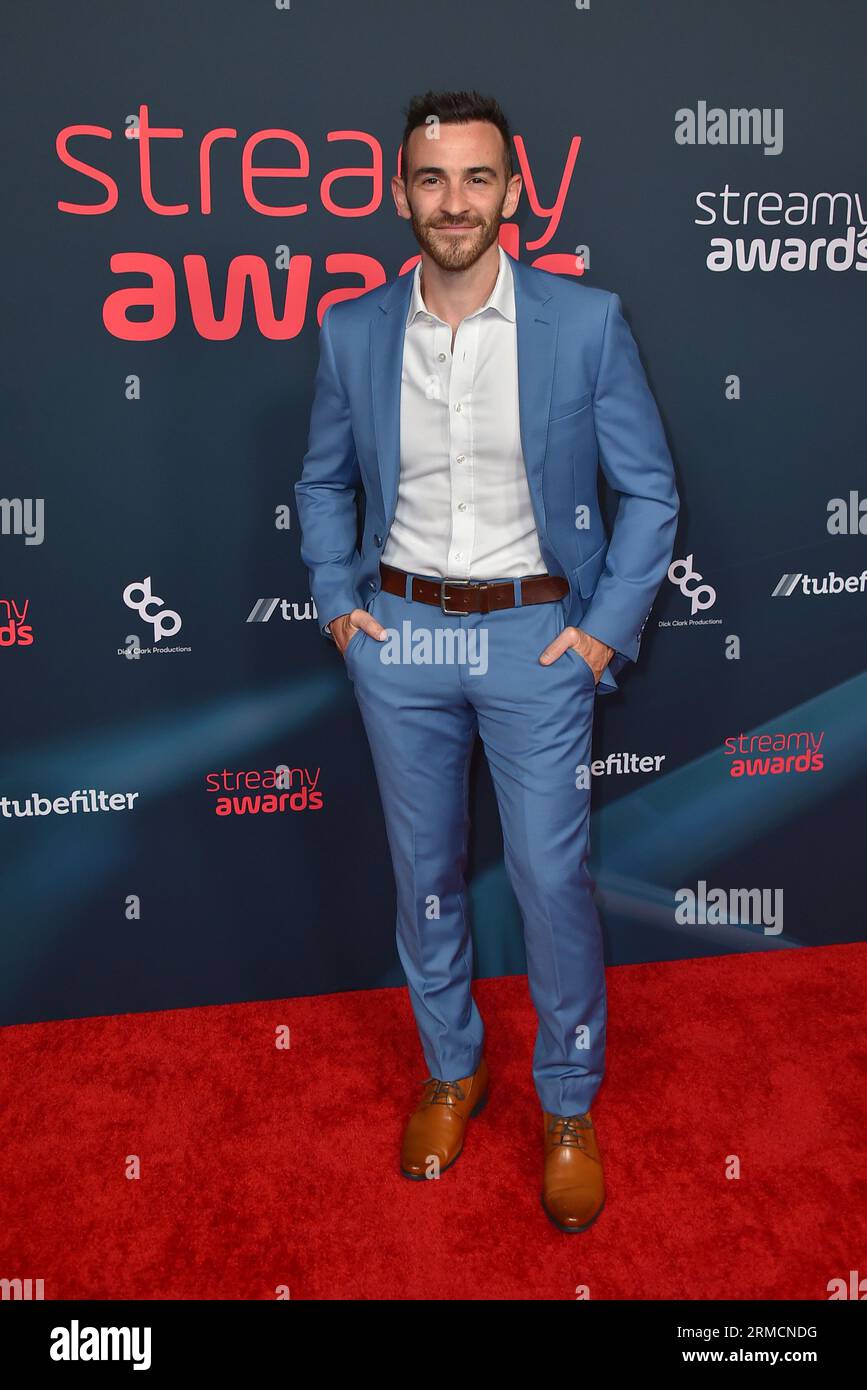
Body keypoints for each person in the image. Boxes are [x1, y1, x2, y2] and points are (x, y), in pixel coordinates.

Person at [294, 89, 680, 1232]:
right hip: (399, 636)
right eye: (430, 179)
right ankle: (452, 1071)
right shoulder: (353, 331)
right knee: (425, 876)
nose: (452, 202)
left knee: (551, 881)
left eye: (476, 179)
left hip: (534, 637)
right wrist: (336, 603)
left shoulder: (588, 322)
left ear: (514, 192)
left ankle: (567, 1099)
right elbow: (322, 480)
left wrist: (600, 630)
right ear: (400, 192)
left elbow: (650, 491)